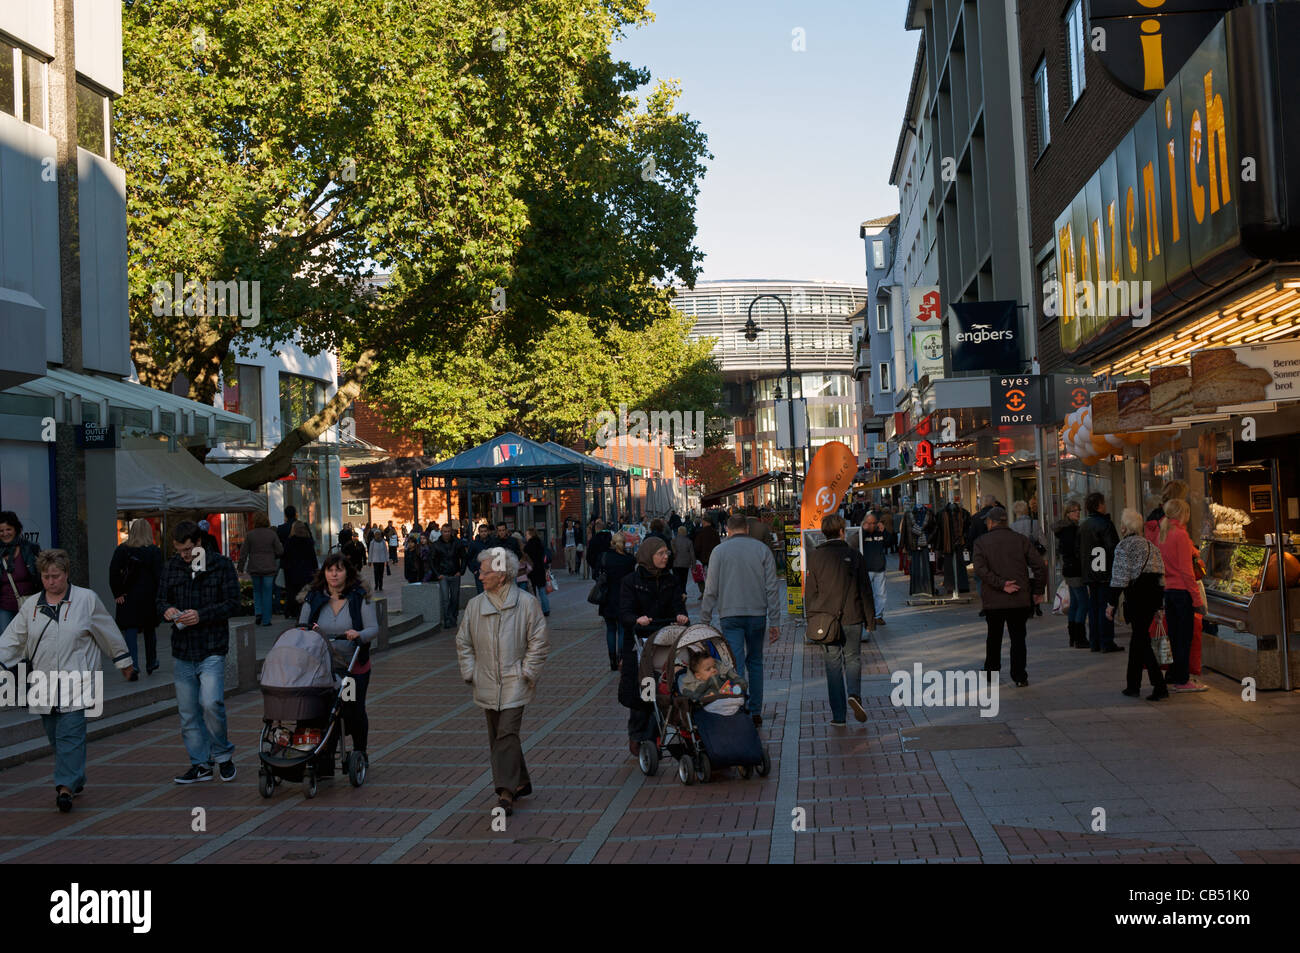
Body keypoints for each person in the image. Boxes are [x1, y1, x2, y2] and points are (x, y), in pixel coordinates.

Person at [0, 549, 135, 811]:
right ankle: (76, 777)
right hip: (42, 682)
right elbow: (13, 638)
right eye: (46, 576)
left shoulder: (86, 599)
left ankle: (64, 788)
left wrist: (124, 662)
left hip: (78, 680)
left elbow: (108, 631)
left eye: (56, 576)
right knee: (55, 735)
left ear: (66, 574)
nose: (52, 581)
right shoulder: (32, 606)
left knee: (70, 734)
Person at [456, 546, 549, 817]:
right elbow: (463, 641)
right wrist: (471, 671)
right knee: (499, 735)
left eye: (484, 571)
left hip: (515, 680)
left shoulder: (526, 603)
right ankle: (521, 781)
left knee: (506, 733)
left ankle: (505, 792)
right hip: (485, 681)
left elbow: (539, 641)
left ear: (502, 575)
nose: (480, 576)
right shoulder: (476, 605)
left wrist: (527, 671)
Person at [158, 520, 241, 783]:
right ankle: (200, 763)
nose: (184, 555)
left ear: (200, 543)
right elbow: (160, 599)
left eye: (189, 550)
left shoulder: (221, 564)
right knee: (188, 712)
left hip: (212, 646)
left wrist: (201, 615)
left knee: (211, 703)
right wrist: (167, 610)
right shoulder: (172, 567)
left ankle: (223, 756)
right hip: (182, 649)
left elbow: (233, 603)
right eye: (179, 550)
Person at [699, 515, 781, 729]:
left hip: (730, 614)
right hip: (757, 614)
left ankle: (739, 706)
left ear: (727, 529)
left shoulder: (719, 551)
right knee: (756, 662)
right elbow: (772, 587)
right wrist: (775, 621)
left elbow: (711, 589)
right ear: (747, 528)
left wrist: (704, 620)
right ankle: (755, 710)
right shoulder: (762, 550)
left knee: (735, 664)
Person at [300, 553, 379, 772]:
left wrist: (359, 634)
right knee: (325, 710)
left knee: (351, 708)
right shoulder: (314, 598)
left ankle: (359, 750)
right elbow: (301, 627)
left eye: (339, 569)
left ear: (347, 573)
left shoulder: (357, 597)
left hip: (353, 667)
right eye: (330, 569)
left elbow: (373, 628)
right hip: (322, 666)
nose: (334, 574)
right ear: (324, 573)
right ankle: (325, 754)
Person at [805, 514, 875, 726]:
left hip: (826, 621)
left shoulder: (815, 557)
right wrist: (870, 619)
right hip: (853, 616)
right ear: (842, 531)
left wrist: (811, 618)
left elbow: (810, 593)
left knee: (832, 665)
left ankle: (838, 716)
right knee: (853, 658)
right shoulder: (855, 555)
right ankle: (854, 694)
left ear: (823, 533)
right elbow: (865, 590)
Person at [618, 536, 688, 751]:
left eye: (666, 553)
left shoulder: (670, 579)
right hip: (640, 644)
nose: (665, 557)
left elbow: (678, 605)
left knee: (665, 689)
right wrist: (636, 619)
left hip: (665, 641)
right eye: (660, 553)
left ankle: (655, 735)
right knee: (645, 692)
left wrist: (681, 615)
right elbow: (625, 612)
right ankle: (639, 735)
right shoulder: (631, 581)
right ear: (649, 555)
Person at [972, 507, 1047, 687]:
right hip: (1019, 598)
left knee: (994, 637)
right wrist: (1038, 591)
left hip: (994, 600)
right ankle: (1019, 675)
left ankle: (991, 673)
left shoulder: (981, 542)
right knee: (1018, 638)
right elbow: (1039, 566)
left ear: (991, 522)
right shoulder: (1020, 540)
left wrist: (1000, 584)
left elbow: (980, 570)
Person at [1106, 509, 1168, 702]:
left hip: (1136, 597)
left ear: (1125, 526)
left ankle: (1159, 685)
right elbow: (1160, 577)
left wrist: (1111, 604)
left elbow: (1119, 578)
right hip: (1151, 597)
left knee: (1142, 642)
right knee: (1138, 640)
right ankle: (1132, 684)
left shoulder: (1123, 546)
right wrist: (1159, 606)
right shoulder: (1151, 546)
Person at [1149, 499, 1206, 692]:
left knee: (1174, 637)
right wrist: (1197, 600)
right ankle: (1183, 680)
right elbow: (1186, 571)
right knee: (1184, 639)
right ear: (1183, 514)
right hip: (1182, 593)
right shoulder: (1180, 534)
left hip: (1168, 590)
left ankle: (1174, 675)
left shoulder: (1162, 533)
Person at [108, 518, 164, 676]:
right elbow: (160, 576)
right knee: (149, 631)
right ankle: (151, 662)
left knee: (130, 631)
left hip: (128, 596)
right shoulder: (154, 551)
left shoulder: (122, 550)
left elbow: (113, 572)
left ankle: (133, 665)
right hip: (149, 596)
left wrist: (117, 593)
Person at [1079, 492, 1123, 653]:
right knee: (1106, 606)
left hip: (1090, 573)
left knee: (1093, 606)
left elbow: (1080, 550)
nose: (1105, 506)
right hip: (1104, 572)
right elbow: (1114, 548)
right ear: (1099, 505)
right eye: (1103, 503)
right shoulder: (1105, 524)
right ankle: (1106, 641)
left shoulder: (1083, 525)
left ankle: (1094, 641)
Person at [1053, 499, 1090, 648]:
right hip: (1075, 569)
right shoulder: (1070, 530)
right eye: (1074, 511)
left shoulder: (1068, 528)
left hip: (1070, 569)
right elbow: (1072, 551)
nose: (1077, 513)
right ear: (1067, 513)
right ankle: (1079, 637)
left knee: (1075, 602)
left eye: (1079, 510)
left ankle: (1073, 637)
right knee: (1083, 603)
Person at [597, 532, 636, 671]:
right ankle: (621, 659)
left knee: (610, 629)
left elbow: (597, 575)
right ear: (625, 543)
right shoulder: (629, 559)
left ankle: (612, 660)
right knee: (622, 629)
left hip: (607, 598)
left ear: (612, 543)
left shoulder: (605, 557)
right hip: (624, 598)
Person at [237, 512, 283, 627]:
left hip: (255, 567)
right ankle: (266, 620)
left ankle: (258, 613)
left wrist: (240, 567)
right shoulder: (272, 534)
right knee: (267, 593)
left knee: (257, 591)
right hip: (269, 568)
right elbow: (280, 551)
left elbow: (243, 553)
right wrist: (272, 556)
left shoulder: (250, 535)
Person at [0, 511, 41, 635]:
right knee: (6, 644)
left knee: (30, 643)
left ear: (16, 529)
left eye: (8, 529)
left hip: (29, 605)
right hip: (5, 607)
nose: (5, 533)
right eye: (1, 531)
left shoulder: (30, 548)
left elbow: (42, 574)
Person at [680, 651, 746, 715]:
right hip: (709, 706)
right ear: (698, 675)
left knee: (739, 697)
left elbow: (739, 680)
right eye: (708, 669)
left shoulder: (721, 675)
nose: (713, 670)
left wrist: (738, 686)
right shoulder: (694, 685)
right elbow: (690, 696)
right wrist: (702, 697)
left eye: (714, 667)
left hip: (727, 697)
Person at [931, 494, 971, 595]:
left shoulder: (963, 513)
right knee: (950, 565)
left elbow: (968, 528)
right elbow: (938, 530)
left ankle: (958, 585)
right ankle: (953, 585)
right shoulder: (942, 514)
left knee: (958, 565)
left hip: (957, 544)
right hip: (948, 544)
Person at [431, 523, 470, 628]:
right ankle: (447, 619)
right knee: (445, 599)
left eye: (448, 531)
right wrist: (438, 574)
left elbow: (464, 557)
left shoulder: (457, 543)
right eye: (444, 531)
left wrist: (461, 571)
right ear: (441, 532)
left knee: (455, 598)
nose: (446, 533)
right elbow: (432, 561)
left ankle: (454, 617)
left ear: (451, 532)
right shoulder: (436, 545)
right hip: (443, 575)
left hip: (455, 574)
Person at [280, 521, 319, 619]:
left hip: (292, 571)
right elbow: (313, 558)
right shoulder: (308, 542)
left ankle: (292, 610)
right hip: (306, 571)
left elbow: (284, 558)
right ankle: (303, 611)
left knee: (292, 592)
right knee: (305, 592)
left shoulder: (289, 542)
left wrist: (284, 568)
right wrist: (315, 570)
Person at [900, 501, 936, 596]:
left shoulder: (929, 513)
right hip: (913, 544)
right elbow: (904, 530)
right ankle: (916, 589)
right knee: (915, 567)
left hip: (926, 545)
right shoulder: (908, 515)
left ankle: (927, 588)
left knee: (927, 567)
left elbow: (935, 528)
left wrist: (929, 539)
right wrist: (902, 545)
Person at [860, 512, 889, 627]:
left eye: (873, 523)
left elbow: (890, 543)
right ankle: (866, 616)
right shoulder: (862, 533)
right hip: (866, 568)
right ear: (865, 523)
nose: (871, 526)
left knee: (880, 594)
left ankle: (878, 616)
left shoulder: (880, 533)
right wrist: (863, 530)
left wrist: (884, 531)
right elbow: (854, 543)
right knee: (866, 594)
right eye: (869, 523)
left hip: (879, 568)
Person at [465, 523, 492, 595]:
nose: (484, 533)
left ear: (488, 532)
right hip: (480, 572)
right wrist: (474, 570)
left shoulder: (493, 542)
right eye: (482, 531)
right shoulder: (474, 544)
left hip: (492, 572)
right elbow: (469, 558)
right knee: (481, 594)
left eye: (485, 531)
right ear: (479, 532)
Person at [671, 525, 695, 596]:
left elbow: (672, 552)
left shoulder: (673, 540)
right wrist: (694, 564)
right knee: (684, 579)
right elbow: (692, 553)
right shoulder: (689, 541)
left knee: (676, 579)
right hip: (685, 563)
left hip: (676, 563)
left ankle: (678, 591)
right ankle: (683, 591)